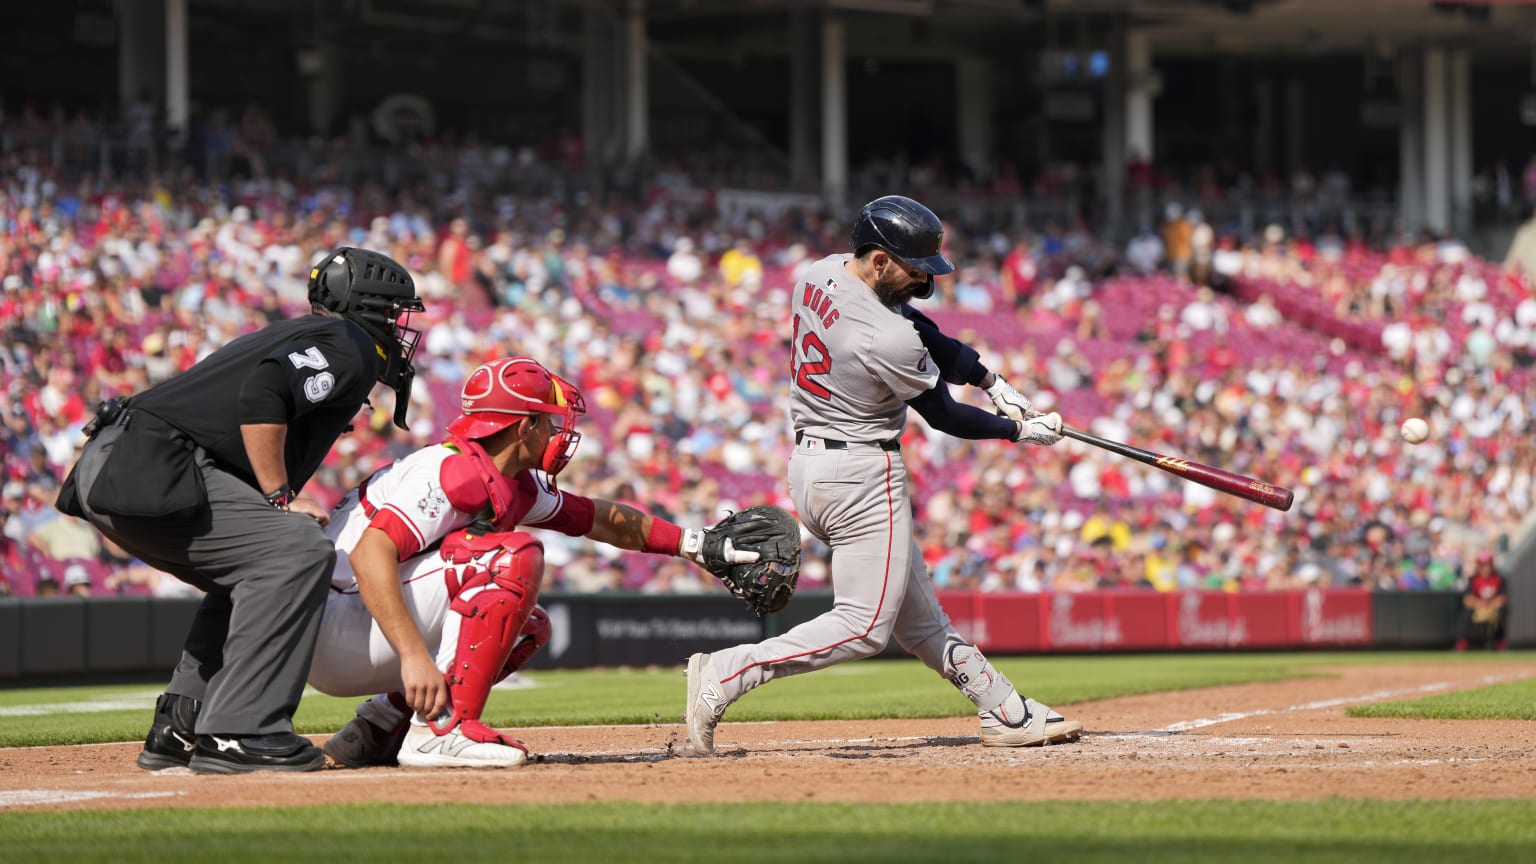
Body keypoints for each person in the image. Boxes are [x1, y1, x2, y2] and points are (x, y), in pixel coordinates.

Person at [684, 195, 1082, 756]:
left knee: (918, 617)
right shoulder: (883, 338)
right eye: (914, 268)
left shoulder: (818, 273)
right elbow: (943, 415)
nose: (925, 278)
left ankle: (1005, 711)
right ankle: (729, 671)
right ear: (878, 260)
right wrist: (1018, 431)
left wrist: (990, 378)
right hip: (862, 475)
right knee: (865, 626)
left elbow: (917, 324)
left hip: (814, 466)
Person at [56, 247, 425, 774]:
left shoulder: (301, 334)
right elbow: (266, 392)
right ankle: (241, 730)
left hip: (123, 460)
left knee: (253, 569)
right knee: (296, 551)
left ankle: (181, 726)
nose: (398, 325)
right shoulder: (351, 343)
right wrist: (278, 497)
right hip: (153, 464)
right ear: (366, 308)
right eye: (393, 312)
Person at [311, 356, 768, 769]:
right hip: (340, 622)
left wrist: (695, 544)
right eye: (549, 422)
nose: (559, 433)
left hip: (354, 624)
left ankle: (379, 727)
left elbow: (601, 519)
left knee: (530, 624)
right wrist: (413, 656)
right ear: (522, 426)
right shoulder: (451, 470)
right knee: (509, 556)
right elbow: (370, 554)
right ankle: (440, 730)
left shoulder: (500, 475)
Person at [1455, 551, 1508, 652]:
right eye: (1483, 565)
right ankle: (1462, 642)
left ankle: (1500, 642)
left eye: (1487, 565)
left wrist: (1489, 605)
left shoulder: (1499, 579)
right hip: (1478, 608)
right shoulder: (1473, 579)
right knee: (1465, 613)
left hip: (1493, 607)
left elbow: (1503, 599)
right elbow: (1467, 600)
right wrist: (1480, 604)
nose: (1485, 568)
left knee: (1502, 611)